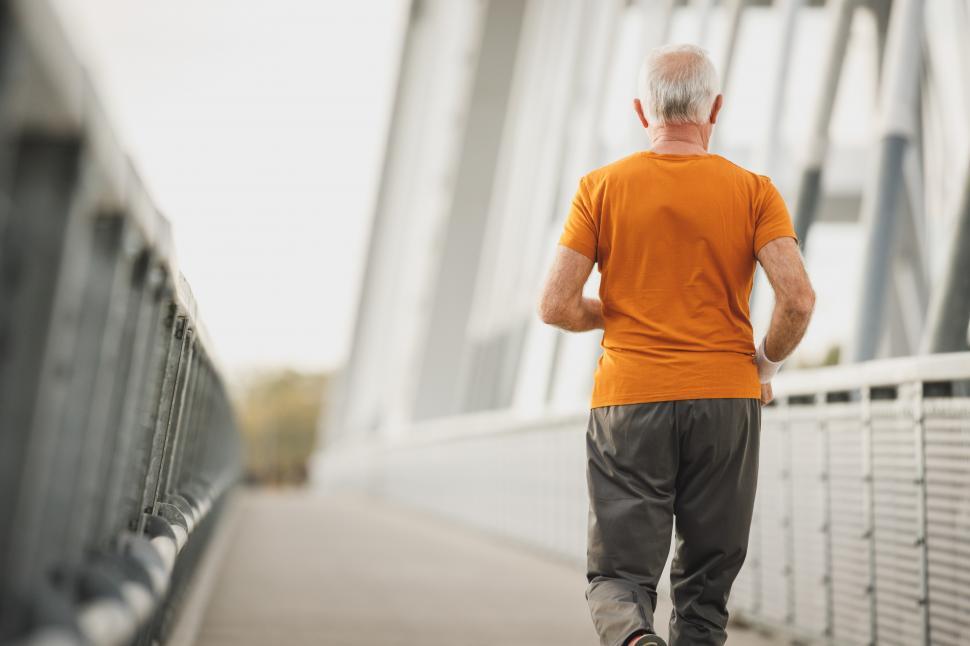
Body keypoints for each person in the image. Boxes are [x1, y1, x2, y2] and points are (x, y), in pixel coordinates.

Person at [536, 44, 815, 646]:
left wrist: (618, 310)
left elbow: (555, 305)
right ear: (715, 108)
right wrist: (761, 363)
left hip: (628, 403)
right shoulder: (754, 191)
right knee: (706, 588)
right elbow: (797, 299)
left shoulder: (600, 188)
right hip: (726, 401)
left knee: (618, 575)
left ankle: (635, 641)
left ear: (643, 112)